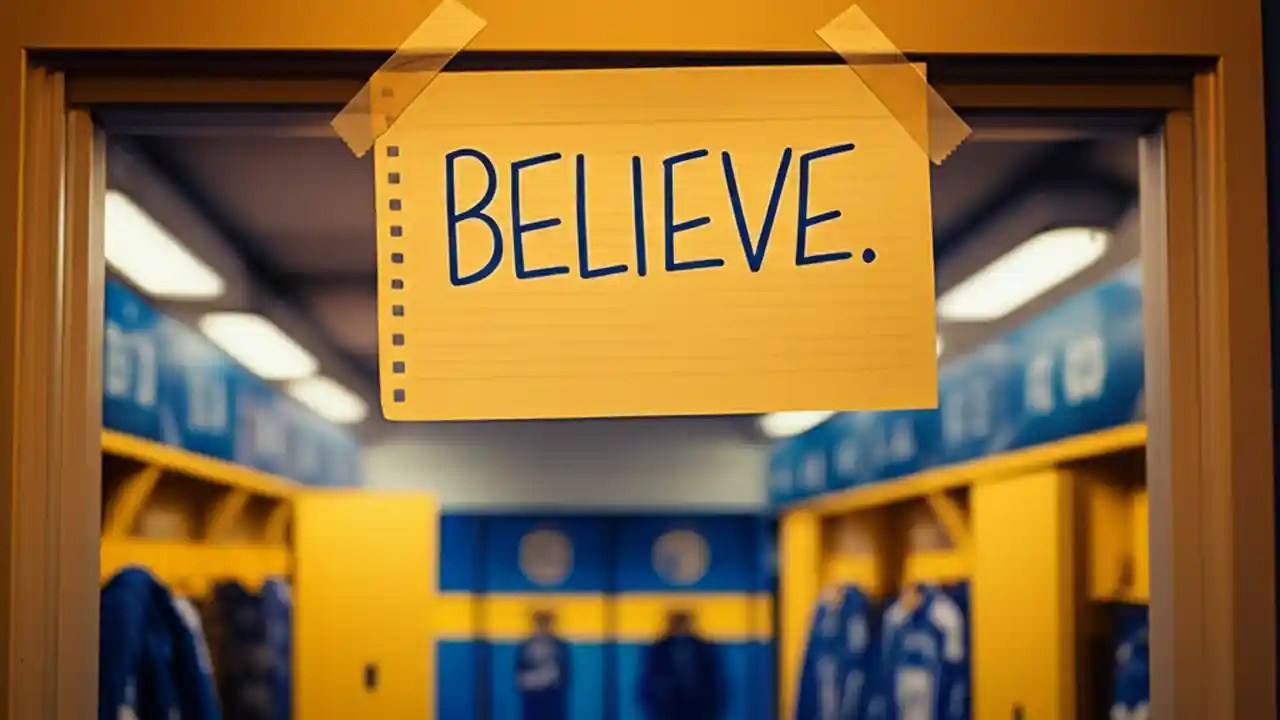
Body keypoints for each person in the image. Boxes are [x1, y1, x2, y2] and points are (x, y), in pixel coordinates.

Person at [638, 610, 725, 720]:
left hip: (698, 707)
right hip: (668, 707)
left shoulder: (704, 649)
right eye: (677, 623)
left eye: (682, 623)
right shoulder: (658, 650)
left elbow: (715, 681)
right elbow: (650, 680)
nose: (680, 628)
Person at [515, 610, 571, 720]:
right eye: (540, 624)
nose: (542, 628)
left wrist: (534, 679)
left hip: (550, 700)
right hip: (535, 701)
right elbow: (520, 677)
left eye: (545, 624)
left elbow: (561, 676)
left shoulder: (558, 646)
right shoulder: (527, 646)